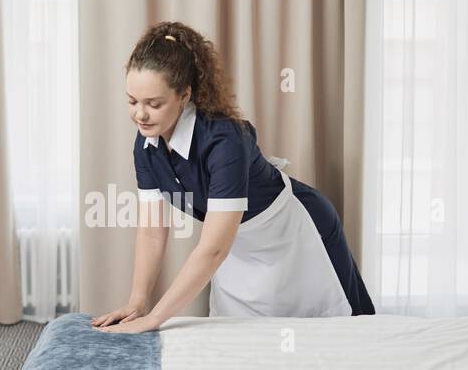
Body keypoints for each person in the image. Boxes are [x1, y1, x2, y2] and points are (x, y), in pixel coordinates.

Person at [93, 21, 375, 334]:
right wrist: (138, 303)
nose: (140, 115)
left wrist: (155, 320)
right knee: (238, 344)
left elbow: (213, 248)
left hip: (293, 235)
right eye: (132, 101)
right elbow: (152, 231)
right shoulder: (147, 144)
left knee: (339, 337)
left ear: (185, 95)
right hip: (236, 245)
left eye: (153, 104)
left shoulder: (225, 139)